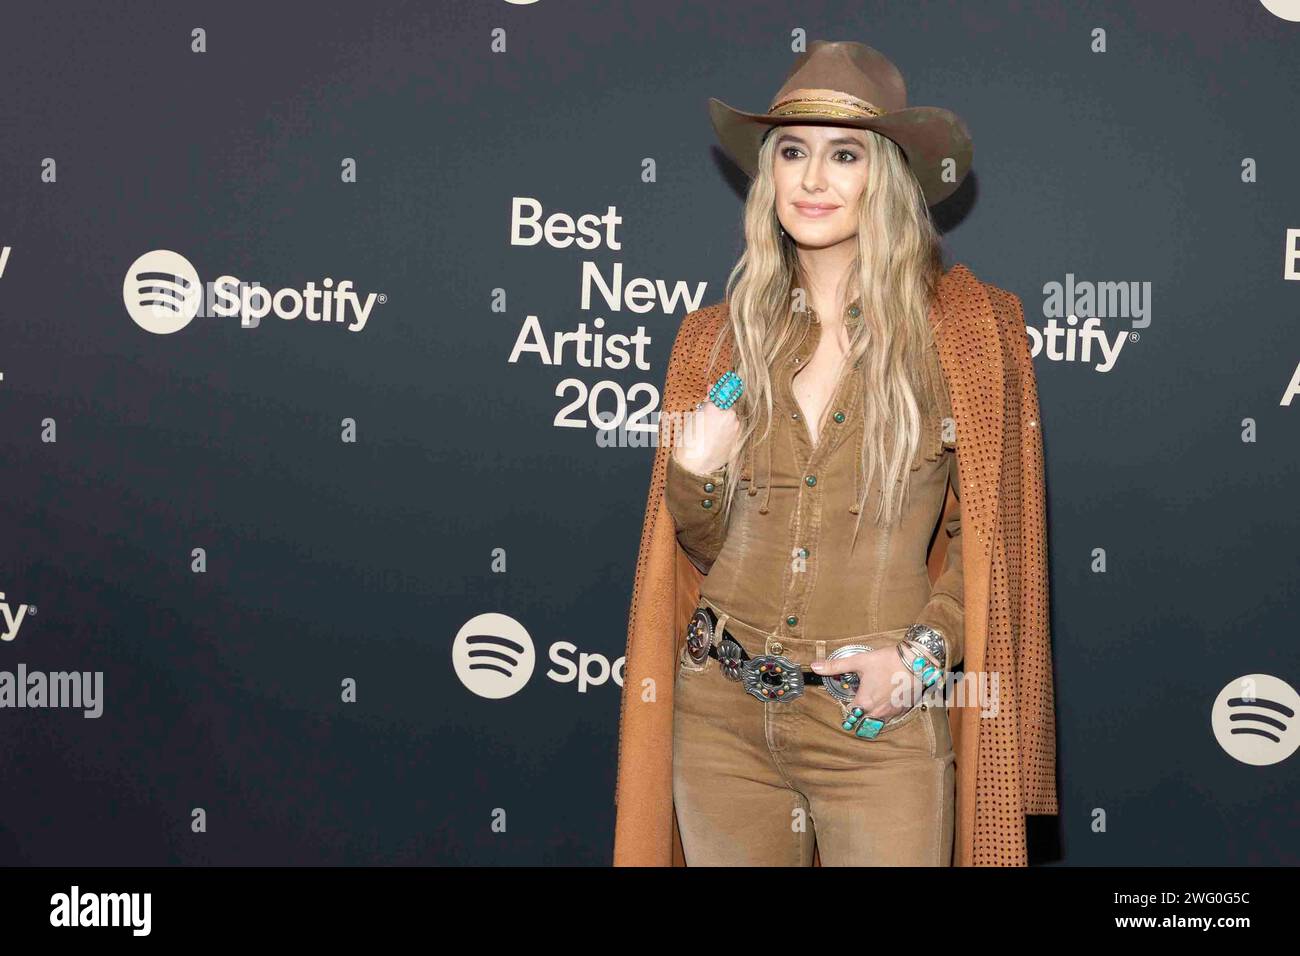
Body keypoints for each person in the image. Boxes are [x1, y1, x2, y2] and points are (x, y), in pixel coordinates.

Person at [613, 40, 1058, 867]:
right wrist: (696, 473)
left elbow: (994, 548)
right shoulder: (715, 340)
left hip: (876, 730)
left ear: (885, 174)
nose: (813, 180)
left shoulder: (969, 334)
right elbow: (700, 554)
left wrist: (922, 659)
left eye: (844, 155)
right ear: (769, 173)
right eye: (793, 152)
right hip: (718, 721)